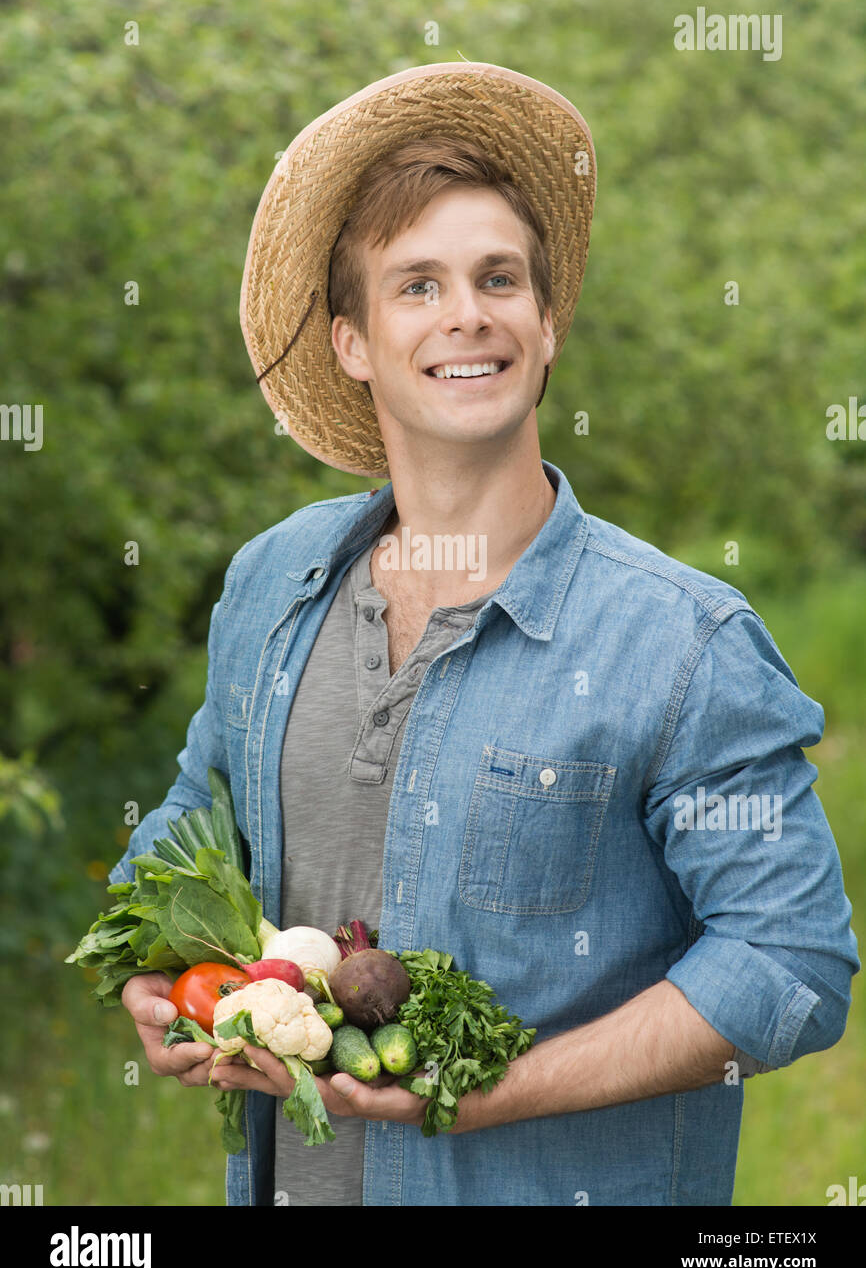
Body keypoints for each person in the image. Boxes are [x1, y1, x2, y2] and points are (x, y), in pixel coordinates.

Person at [112, 62, 859, 1207]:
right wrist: (159, 971)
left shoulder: (678, 643)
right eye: (416, 286)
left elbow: (790, 964)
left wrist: (490, 1089)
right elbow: (189, 817)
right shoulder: (274, 582)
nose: (466, 313)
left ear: (546, 324)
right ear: (351, 342)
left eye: (497, 278)